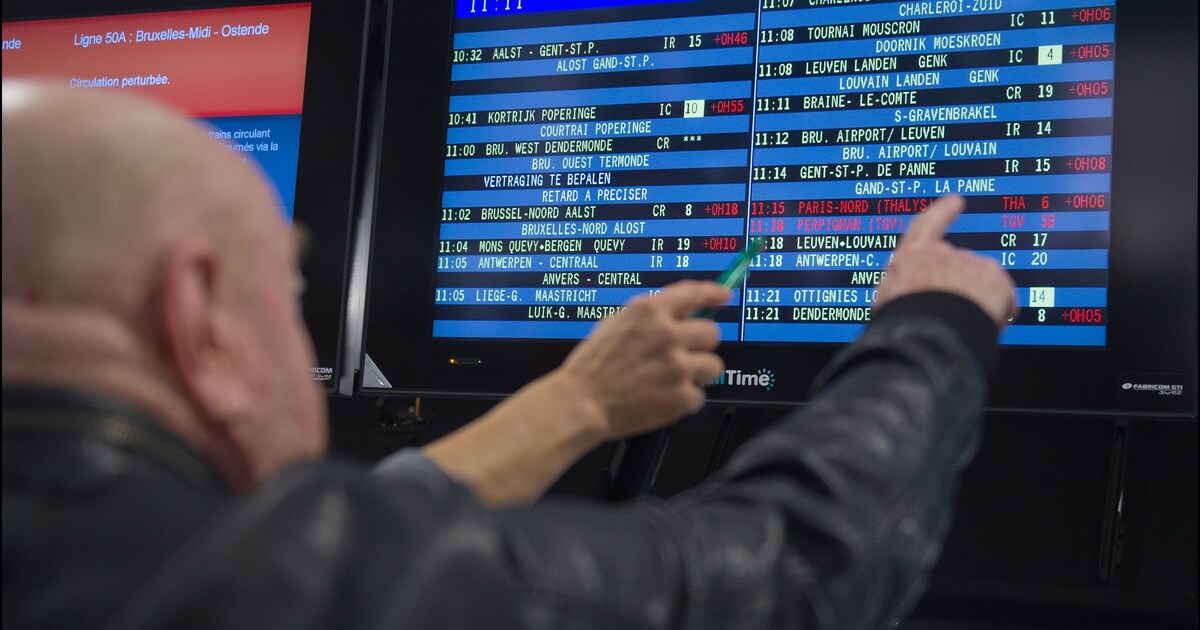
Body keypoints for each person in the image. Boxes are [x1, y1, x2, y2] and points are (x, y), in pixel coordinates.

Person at [2, 81, 1015, 630]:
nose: (299, 320)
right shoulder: (235, 586)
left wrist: (577, 402)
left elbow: (348, 544)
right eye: (289, 284)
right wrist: (932, 326)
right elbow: (794, 575)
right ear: (201, 318)